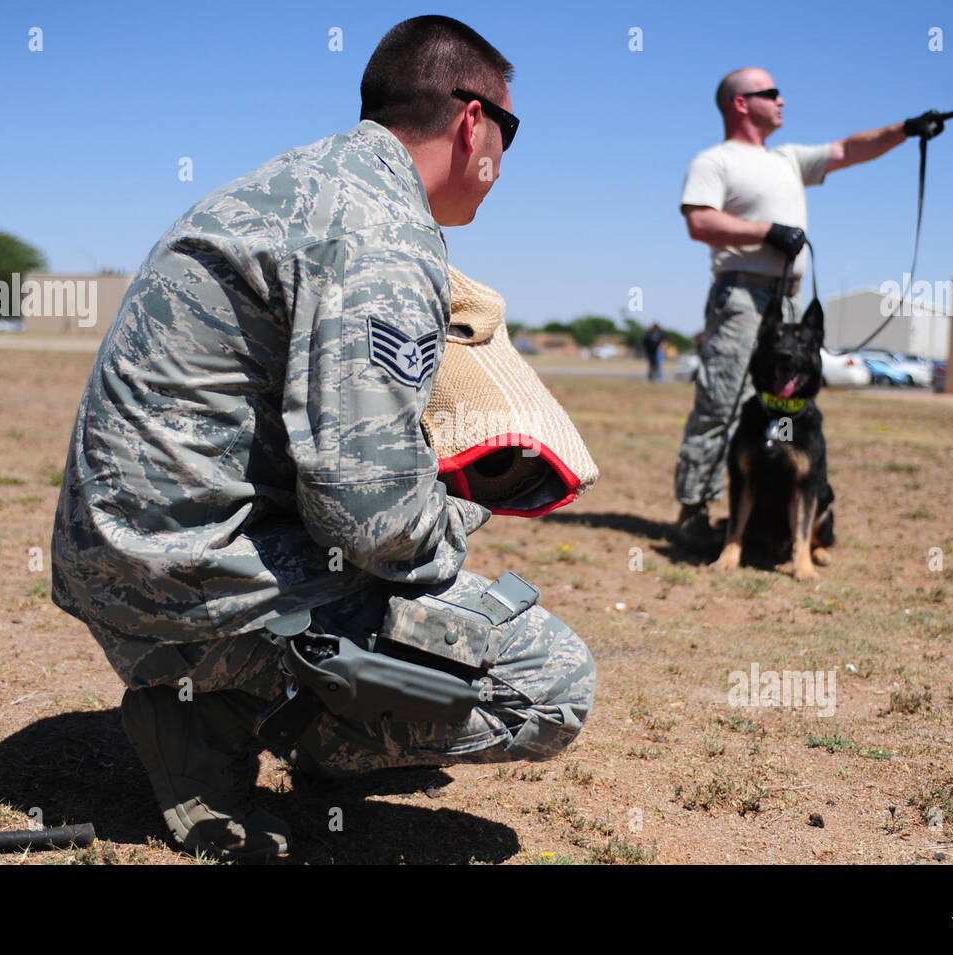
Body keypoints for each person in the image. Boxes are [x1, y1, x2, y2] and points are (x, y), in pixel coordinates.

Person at [50, 15, 595, 862]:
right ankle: (257, 724)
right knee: (552, 684)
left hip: (116, 564)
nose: (504, 160)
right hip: (190, 587)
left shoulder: (298, 184)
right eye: (510, 132)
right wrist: (467, 507)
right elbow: (373, 522)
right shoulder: (383, 234)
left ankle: (221, 698)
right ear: (472, 120)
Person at [672, 67, 947, 547]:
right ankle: (694, 512)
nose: (782, 99)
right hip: (742, 295)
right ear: (741, 103)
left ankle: (769, 512)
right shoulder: (714, 161)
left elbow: (847, 150)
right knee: (723, 403)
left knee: (787, 404)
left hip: (790, 300)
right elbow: (699, 222)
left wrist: (905, 130)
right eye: (771, 92)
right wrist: (766, 231)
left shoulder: (788, 158)